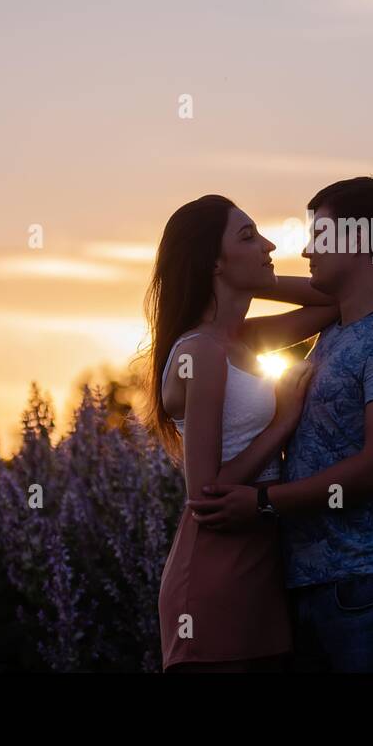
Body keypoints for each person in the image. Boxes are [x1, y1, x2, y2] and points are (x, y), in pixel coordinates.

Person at [191, 177, 373, 672]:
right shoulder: (333, 332)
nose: (306, 250)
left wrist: (263, 503)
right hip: (313, 590)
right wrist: (250, 279)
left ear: (357, 241)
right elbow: (225, 331)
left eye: (319, 235)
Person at [142, 194, 337, 672]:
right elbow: (205, 495)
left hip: (263, 563)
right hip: (215, 571)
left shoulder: (243, 339)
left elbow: (336, 298)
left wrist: (256, 278)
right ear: (212, 260)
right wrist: (282, 423)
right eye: (249, 237)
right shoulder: (201, 352)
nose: (270, 244)